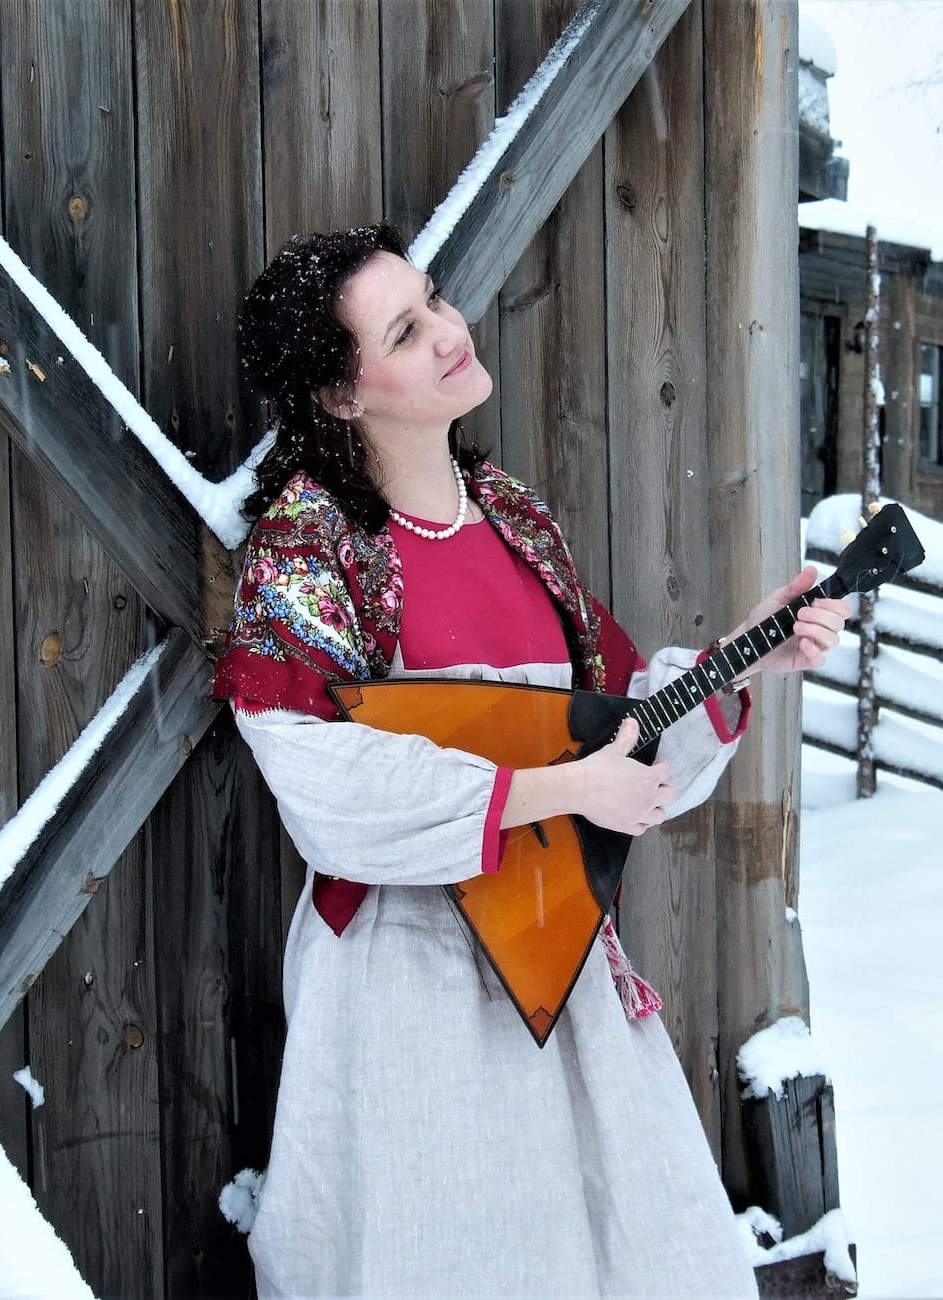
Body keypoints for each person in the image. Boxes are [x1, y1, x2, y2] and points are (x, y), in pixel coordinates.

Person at [213, 223, 848, 1298]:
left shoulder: (511, 520)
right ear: (337, 395)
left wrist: (751, 654)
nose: (449, 333)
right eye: (405, 331)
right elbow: (326, 789)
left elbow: (620, 735)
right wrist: (554, 790)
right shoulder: (309, 551)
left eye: (435, 301)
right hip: (408, 980)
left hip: (559, 953)